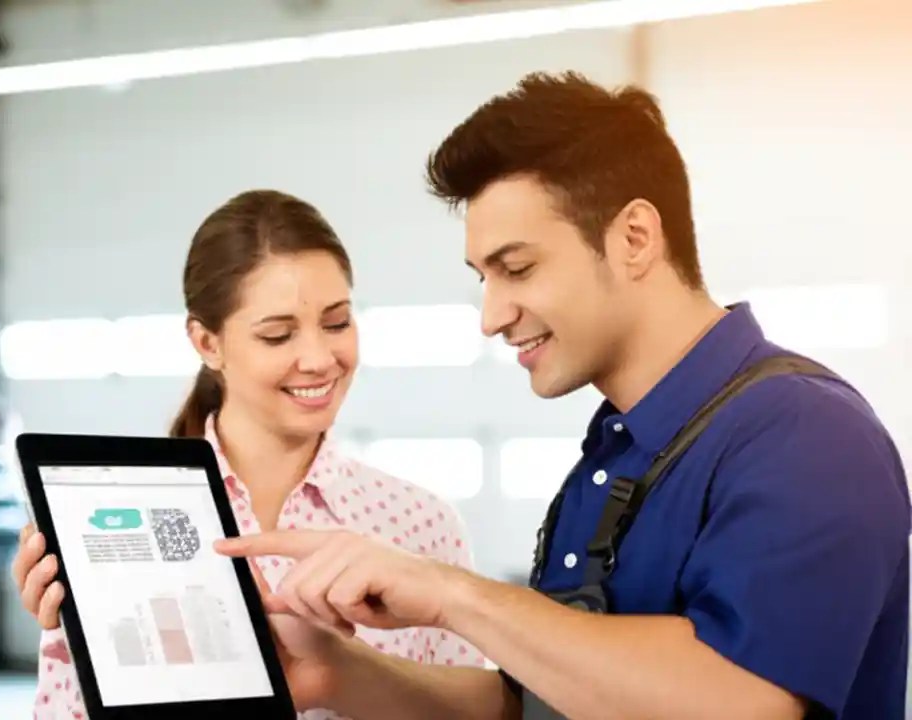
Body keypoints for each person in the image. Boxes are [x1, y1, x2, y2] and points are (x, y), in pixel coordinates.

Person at [216, 72, 910, 720]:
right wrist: (340, 673)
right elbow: (549, 704)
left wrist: (455, 595)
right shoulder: (611, 461)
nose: (491, 314)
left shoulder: (808, 436)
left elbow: (741, 700)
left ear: (634, 238)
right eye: (483, 278)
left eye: (516, 268)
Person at [11, 189, 488, 720]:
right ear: (206, 343)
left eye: (336, 323)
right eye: (278, 335)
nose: (318, 358)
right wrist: (68, 633)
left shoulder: (421, 526)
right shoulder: (120, 521)